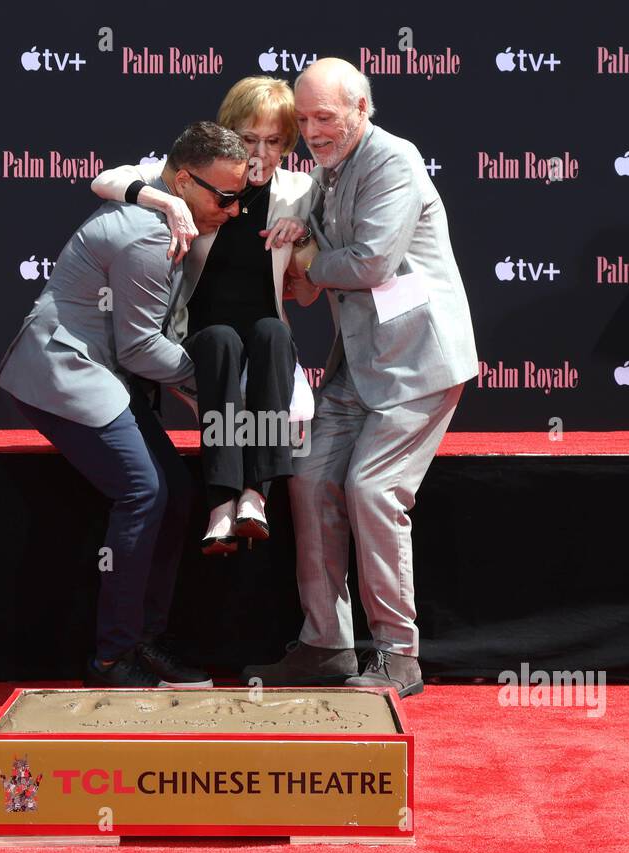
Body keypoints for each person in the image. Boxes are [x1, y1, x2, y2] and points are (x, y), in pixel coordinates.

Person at [243, 58, 479, 698]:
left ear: (361, 109)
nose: (314, 130)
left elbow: (371, 263)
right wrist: (296, 228)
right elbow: (318, 267)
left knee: (373, 491)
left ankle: (400, 658)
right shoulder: (327, 170)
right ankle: (326, 645)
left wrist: (309, 256)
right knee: (312, 477)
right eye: (306, 119)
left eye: (326, 117)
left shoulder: (393, 160)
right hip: (358, 362)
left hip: (418, 364)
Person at [0, 121, 249, 689]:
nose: (232, 211)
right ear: (183, 181)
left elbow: (121, 179)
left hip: (103, 372)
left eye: (241, 198)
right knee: (145, 490)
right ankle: (113, 658)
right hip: (66, 371)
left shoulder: (162, 198)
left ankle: (146, 641)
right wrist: (219, 381)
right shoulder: (149, 236)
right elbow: (141, 349)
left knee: (176, 493)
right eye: (225, 197)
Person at [90, 76, 320, 556]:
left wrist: (301, 234)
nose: (260, 153)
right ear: (230, 136)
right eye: (250, 139)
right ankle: (221, 502)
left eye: (274, 142)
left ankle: (256, 495)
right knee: (219, 341)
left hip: (263, 337)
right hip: (199, 335)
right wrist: (168, 201)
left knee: (274, 333)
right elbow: (105, 180)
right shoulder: (202, 176)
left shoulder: (300, 191)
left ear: (288, 145)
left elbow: (313, 282)